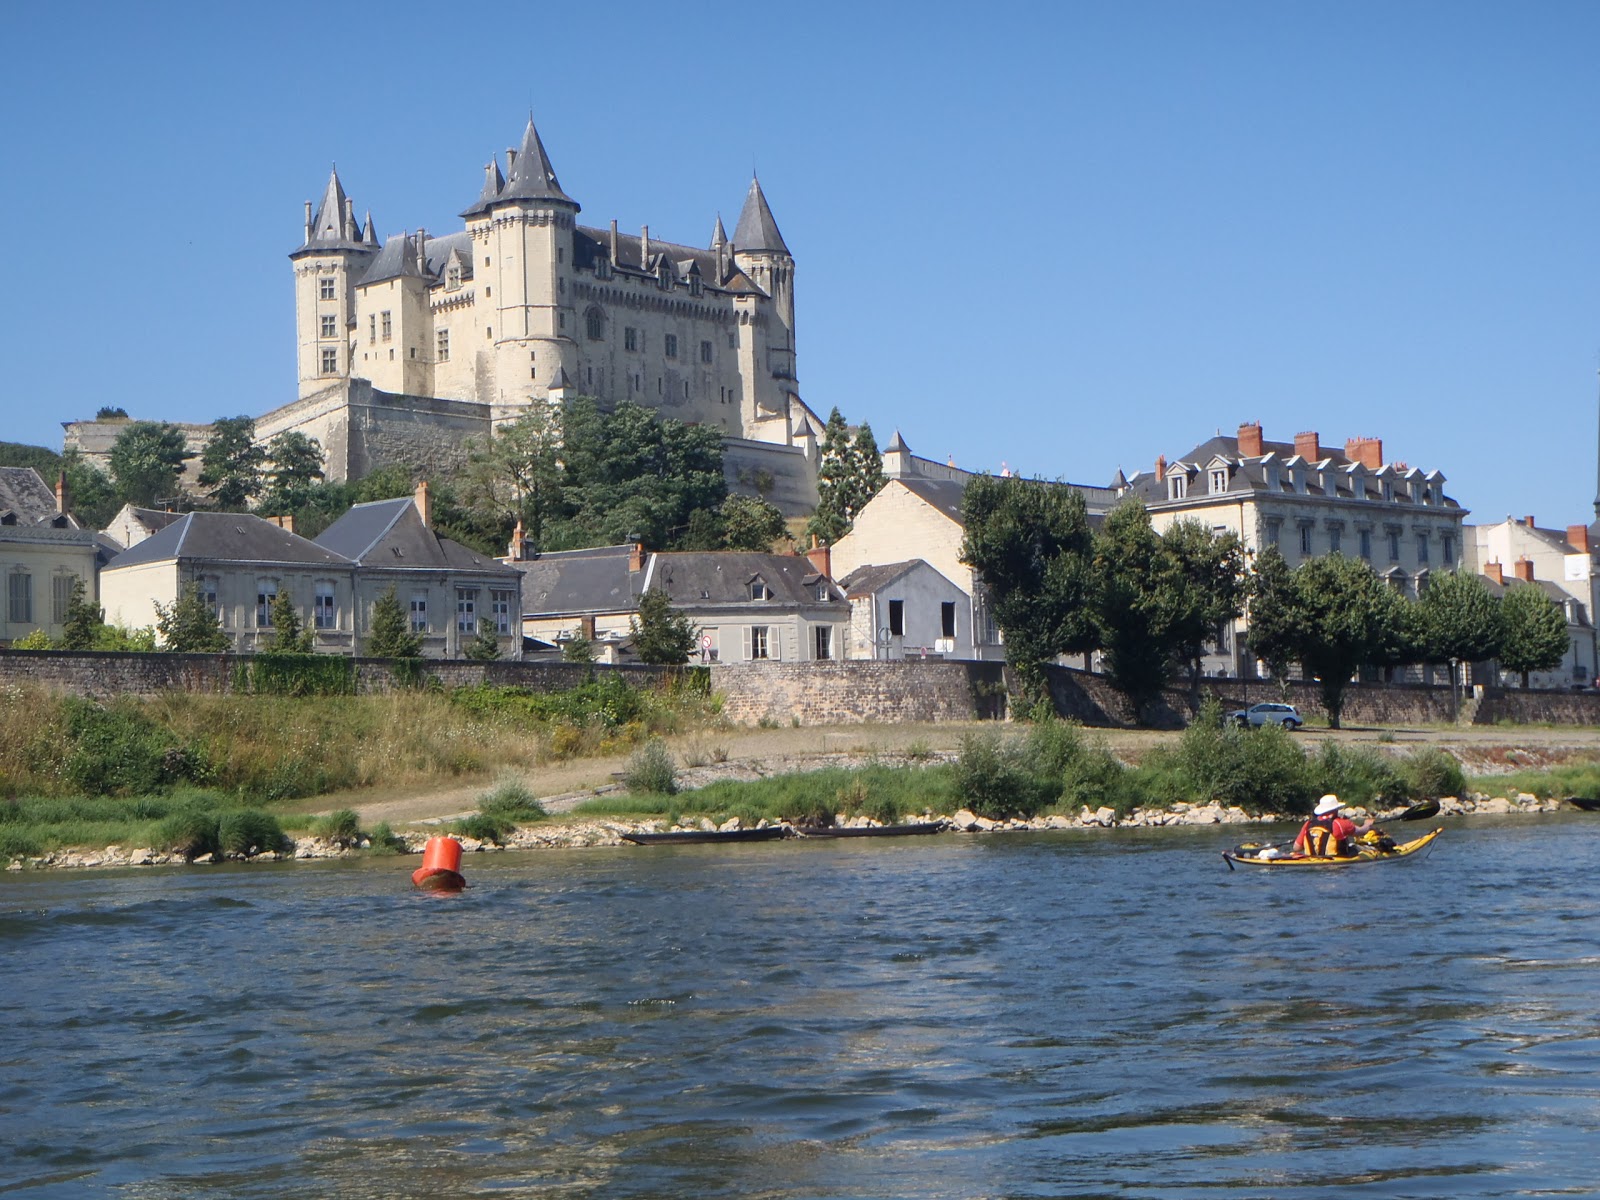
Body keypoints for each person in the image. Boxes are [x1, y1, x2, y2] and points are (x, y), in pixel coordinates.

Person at [1293, 794, 1375, 857]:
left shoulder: (1308, 824)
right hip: (1335, 863)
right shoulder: (1340, 823)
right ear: (1335, 810)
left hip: (1312, 859)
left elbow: (1296, 848)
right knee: (1354, 847)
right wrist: (1367, 824)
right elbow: (1361, 831)